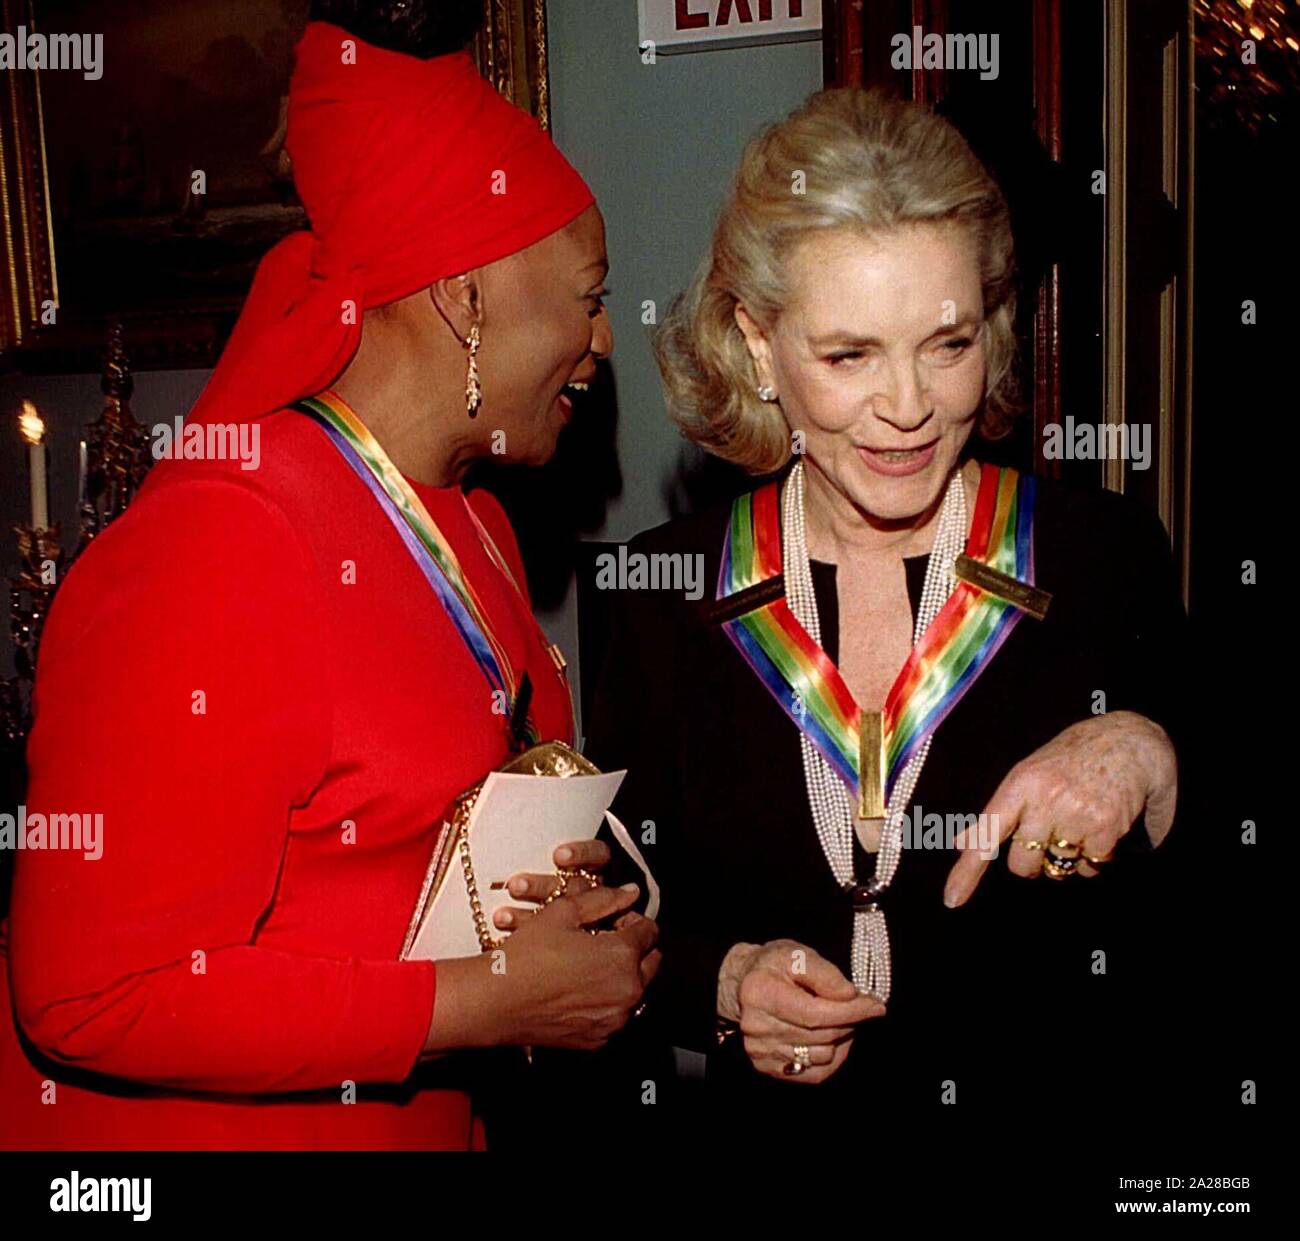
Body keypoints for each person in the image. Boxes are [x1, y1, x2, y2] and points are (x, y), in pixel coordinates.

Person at [0, 4, 658, 1151]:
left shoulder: (479, 526)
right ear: (464, 298)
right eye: (590, 294)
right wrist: (489, 1000)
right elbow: (83, 995)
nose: (603, 339)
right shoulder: (219, 545)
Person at [585, 87, 1191, 1130]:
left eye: (947, 344)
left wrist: (1149, 747)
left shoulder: (1100, 558)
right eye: (849, 353)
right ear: (758, 345)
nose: (909, 405)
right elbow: (619, 921)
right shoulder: (663, 594)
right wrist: (724, 983)